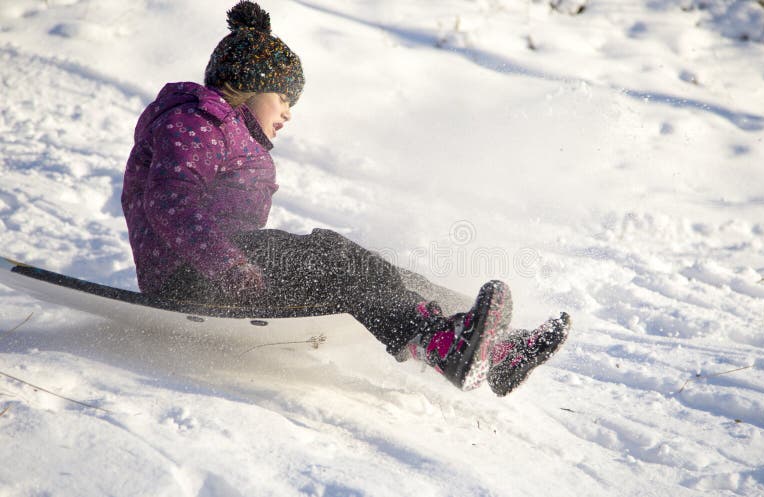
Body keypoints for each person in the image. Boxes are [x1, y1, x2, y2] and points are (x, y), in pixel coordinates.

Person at [121, 0, 569, 396]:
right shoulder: (195, 121)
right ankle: (440, 341)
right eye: (284, 97)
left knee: (374, 269)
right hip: (193, 275)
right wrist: (229, 266)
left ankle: (489, 344)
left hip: (229, 267)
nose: (289, 112)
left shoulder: (228, 132)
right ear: (253, 84)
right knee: (332, 256)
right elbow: (170, 203)